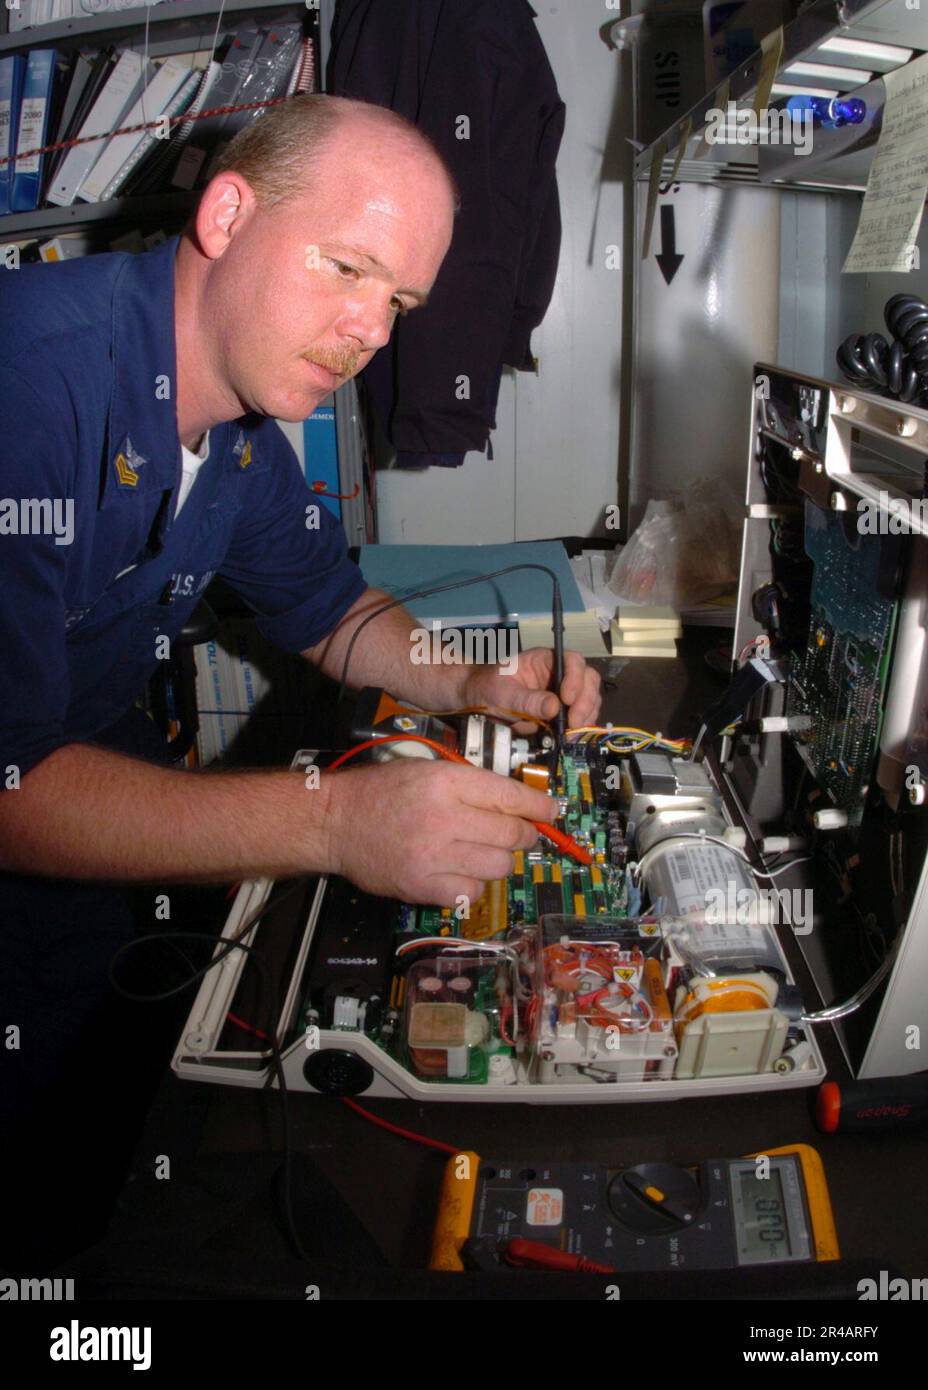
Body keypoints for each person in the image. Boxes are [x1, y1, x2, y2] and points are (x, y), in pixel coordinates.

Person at [0, 95, 600, 1260]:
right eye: (347, 267)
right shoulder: (27, 389)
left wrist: (474, 682)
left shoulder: (235, 434)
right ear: (227, 214)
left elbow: (333, 613)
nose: (370, 330)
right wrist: (334, 822)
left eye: (399, 301)